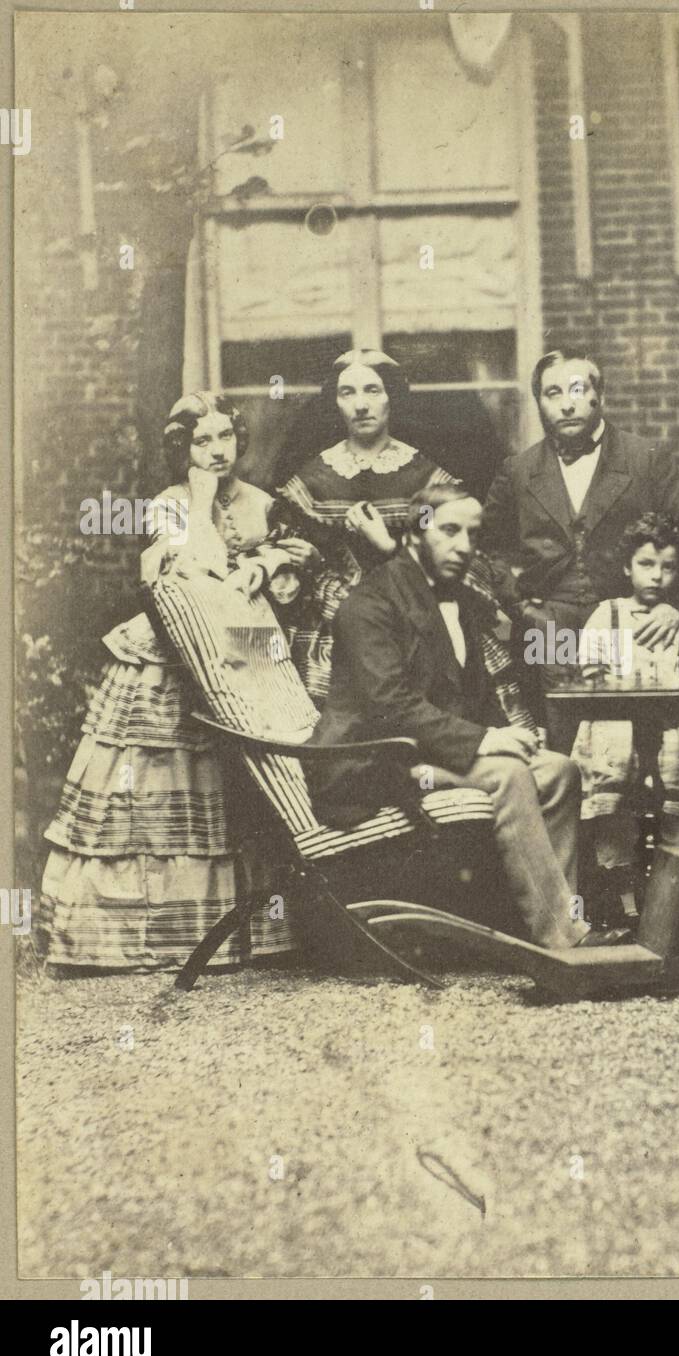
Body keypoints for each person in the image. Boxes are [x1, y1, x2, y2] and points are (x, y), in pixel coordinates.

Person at [39, 392, 315, 970]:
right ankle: (139, 935)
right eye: (202, 441)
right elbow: (171, 571)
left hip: (241, 648)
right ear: (183, 450)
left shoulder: (263, 501)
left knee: (248, 765)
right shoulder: (171, 502)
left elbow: (298, 556)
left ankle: (256, 932)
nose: (217, 451)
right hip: (175, 650)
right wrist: (203, 500)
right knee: (158, 775)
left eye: (225, 437)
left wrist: (265, 564)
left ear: (240, 440)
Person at [306, 480, 631, 952]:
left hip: (432, 751)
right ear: (416, 533)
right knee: (508, 775)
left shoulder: (458, 600)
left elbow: (471, 696)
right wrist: (484, 741)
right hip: (373, 760)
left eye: (472, 535)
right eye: (450, 531)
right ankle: (563, 938)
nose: (464, 546)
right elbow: (390, 705)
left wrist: (509, 732)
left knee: (559, 771)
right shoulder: (370, 603)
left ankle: (551, 919)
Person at [481, 348, 679, 748]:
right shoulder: (518, 470)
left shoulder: (646, 460)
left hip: (630, 618)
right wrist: (520, 606)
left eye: (577, 389)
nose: (566, 404)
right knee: (561, 734)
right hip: (549, 623)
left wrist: (676, 606)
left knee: (625, 735)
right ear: (539, 403)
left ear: (599, 395)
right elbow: (483, 548)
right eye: (552, 393)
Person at [274, 348, 458, 704]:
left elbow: (455, 562)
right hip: (330, 627)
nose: (361, 405)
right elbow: (285, 564)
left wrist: (389, 547)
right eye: (348, 393)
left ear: (392, 397)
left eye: (372, 390)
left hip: (411, 620)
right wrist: (311, 562)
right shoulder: (314, 477)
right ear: (336, 403)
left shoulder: (425, 476)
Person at [569, 514, 679, 925]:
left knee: (677, 819)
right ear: (627, 567)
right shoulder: (609, 615)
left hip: (670, 731)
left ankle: (672, 911)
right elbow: (593, 673)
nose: (656, 576)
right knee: (616, 823)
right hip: (616, 732)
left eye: (668, 567)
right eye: (646, 564)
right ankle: (623, 907)